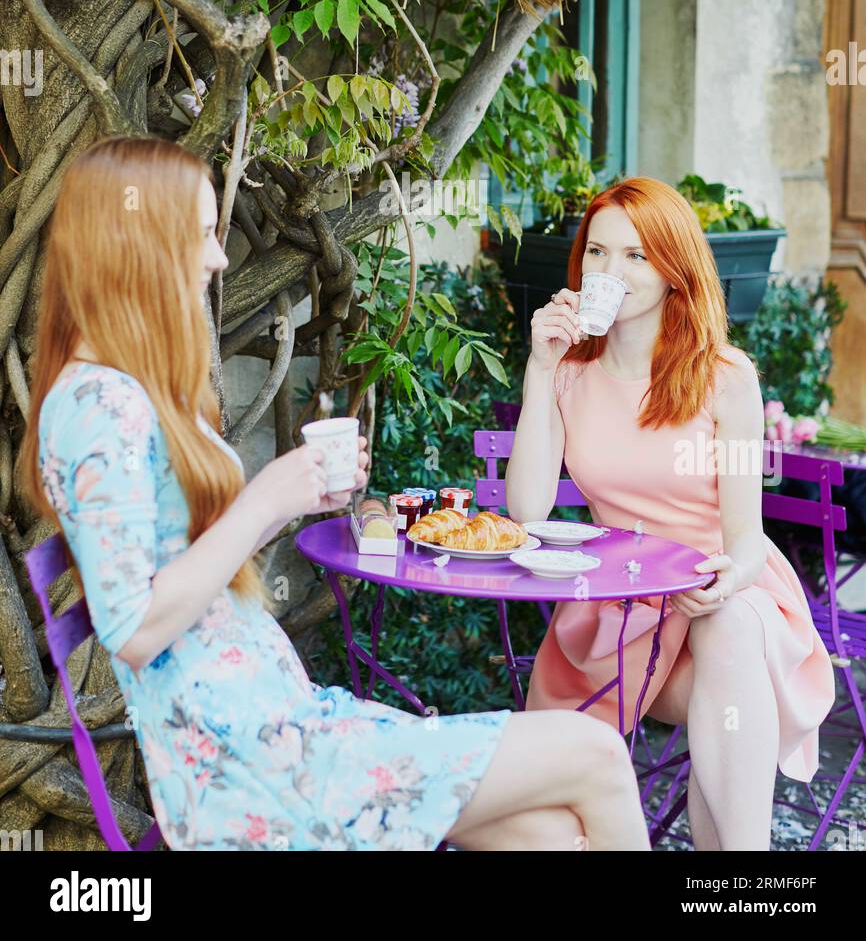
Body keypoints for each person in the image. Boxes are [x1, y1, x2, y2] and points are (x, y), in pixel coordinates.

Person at [21, 135, 650, 852]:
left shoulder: (126, 391)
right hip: (253, 771)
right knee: (598, 754)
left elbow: (178, 559)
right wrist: (264, 501)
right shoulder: (100, 406)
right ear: (135, 243)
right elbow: (132, 631)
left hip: (283, 729)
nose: (219, 257)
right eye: (199, 234)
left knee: (550, 835)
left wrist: (296, 495)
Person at [507, 176, 836, 852]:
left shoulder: (724, 377)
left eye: (636, 256)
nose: (611, 271)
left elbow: (747, 541)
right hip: (620, 617)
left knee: (730, 626)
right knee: (728, 705)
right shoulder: (569, 374)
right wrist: (539, 373)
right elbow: (527, 510)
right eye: (598, 253)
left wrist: (724, 579)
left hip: (721, 594)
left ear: (671, 269)